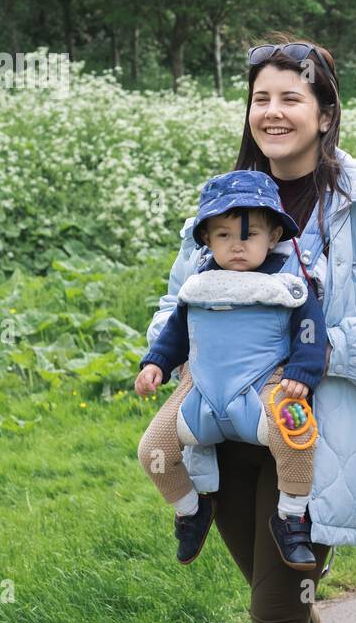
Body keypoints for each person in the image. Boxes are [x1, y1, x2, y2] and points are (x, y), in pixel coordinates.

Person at [145, 36, 356, 623]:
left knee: (275, 616)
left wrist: (322, 351)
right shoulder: (226, 205)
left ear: (326, 115)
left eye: (291, 97)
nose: (272, 111)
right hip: (223, 431)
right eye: (261, 98)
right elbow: (174, 303)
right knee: (281, 605)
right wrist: (177, 353)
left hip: (316, 437)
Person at [135, 169, 329, 570]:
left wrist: (302, 372)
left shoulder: (288, 285)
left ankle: (291, 517)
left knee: (296, 434)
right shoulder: (199, 285)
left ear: (273, 236)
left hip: (265, 389)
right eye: (223, 235)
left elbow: (311, 332)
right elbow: (177, 334)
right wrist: (155, 363)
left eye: (249, 235)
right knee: (153, 451)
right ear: (206, 238)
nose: (237, 246)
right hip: (198, 391)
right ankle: (191, 510)